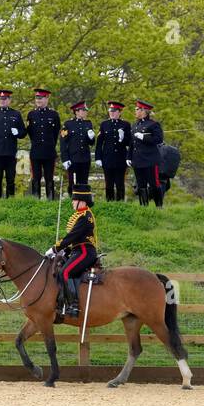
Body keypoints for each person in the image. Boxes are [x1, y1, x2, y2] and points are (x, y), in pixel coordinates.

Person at [47, 183, 98, 317]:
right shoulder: (80, 215)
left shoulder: (85, 216)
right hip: (77, 250)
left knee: (65, 272)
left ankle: (73, 306)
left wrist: (55, 248)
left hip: (85, 251)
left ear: (82, 201)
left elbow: (72, 236)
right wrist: (64, 251)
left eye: (74, 200)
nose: (72, 202)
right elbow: (74, 239)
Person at [25, 87, 60, 200]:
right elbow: (30, 132)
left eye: (41, 98)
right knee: (36, 178)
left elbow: (55, 134)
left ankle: (50, 200)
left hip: (49, 151)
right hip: (36, 151)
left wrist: (50, 145)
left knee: (49, 178)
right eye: (37, 98)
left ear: (47, 99)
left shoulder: (54, 115)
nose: (38, 100)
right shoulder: (31, 114)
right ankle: (36, 200)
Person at [130, 99, 165, 207]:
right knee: (141, 185)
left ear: (144, 111)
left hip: (150, 160)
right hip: (137, 159)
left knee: (154, 184)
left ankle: (159, 206)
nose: (135, 111)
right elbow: (132, 143)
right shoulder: (135, 125)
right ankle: (144, 207)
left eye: (137, 109)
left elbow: (159, 139)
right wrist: (128, 156)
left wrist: (144, 137)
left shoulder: (153, 124)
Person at [94, 101, 131, 202]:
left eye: (114, 111)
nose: (112, 113)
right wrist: (98, 157)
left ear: (119, 112)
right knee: (108, 184)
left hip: (120, 158)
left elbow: (129, 143)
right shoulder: (104, 124)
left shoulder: (125, 124)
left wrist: (122, 138)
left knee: (120, 183)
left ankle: (120, 204)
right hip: (107, 158)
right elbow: (99, 142)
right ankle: (109, 204)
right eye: (110, 111)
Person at [60, 101, 94, 196]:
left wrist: (91, 137)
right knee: (72, 183)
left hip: (85, 158)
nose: (85, 112)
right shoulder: (68, 124)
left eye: (85, 110)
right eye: (83, 110)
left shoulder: (88, 123)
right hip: (73, 158)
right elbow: (63, 142)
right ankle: (72, 201)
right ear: (76, 111)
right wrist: (65, 159)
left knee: (83, 182)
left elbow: (91, 143)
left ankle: (83, 202)